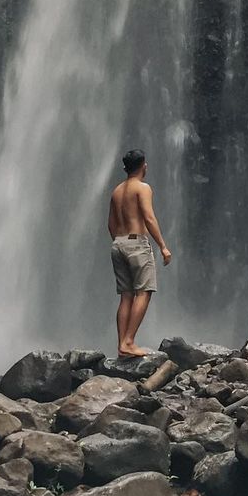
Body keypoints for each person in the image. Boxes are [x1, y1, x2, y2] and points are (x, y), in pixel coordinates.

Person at [108, 149, 172, 357]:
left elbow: (110, 224)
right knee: (144, 292)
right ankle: (129, 341)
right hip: (137, 243)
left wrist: (121, 243)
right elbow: (149, 217)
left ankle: (122, 346)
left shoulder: (117, 191)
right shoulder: (142, 188)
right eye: (146, 164)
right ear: (142, 165)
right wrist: (162, 246)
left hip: (119, 243)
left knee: (126, 295)